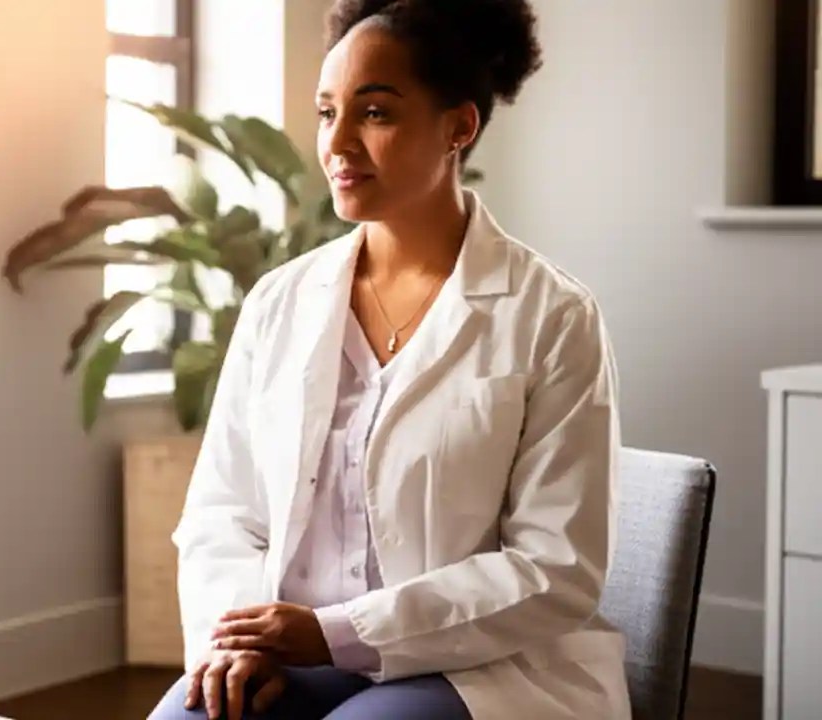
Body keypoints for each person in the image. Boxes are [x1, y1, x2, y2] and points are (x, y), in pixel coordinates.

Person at [149, 0, 630, 718]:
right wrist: (238, 639)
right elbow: (224, 512)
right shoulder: (279, 302)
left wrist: (336, 633)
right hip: (287, 652)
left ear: (458, 127)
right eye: (327, 112)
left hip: (482, 669)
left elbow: (556, 568)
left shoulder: (553, 317)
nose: (338, 142)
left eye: (374, 113)